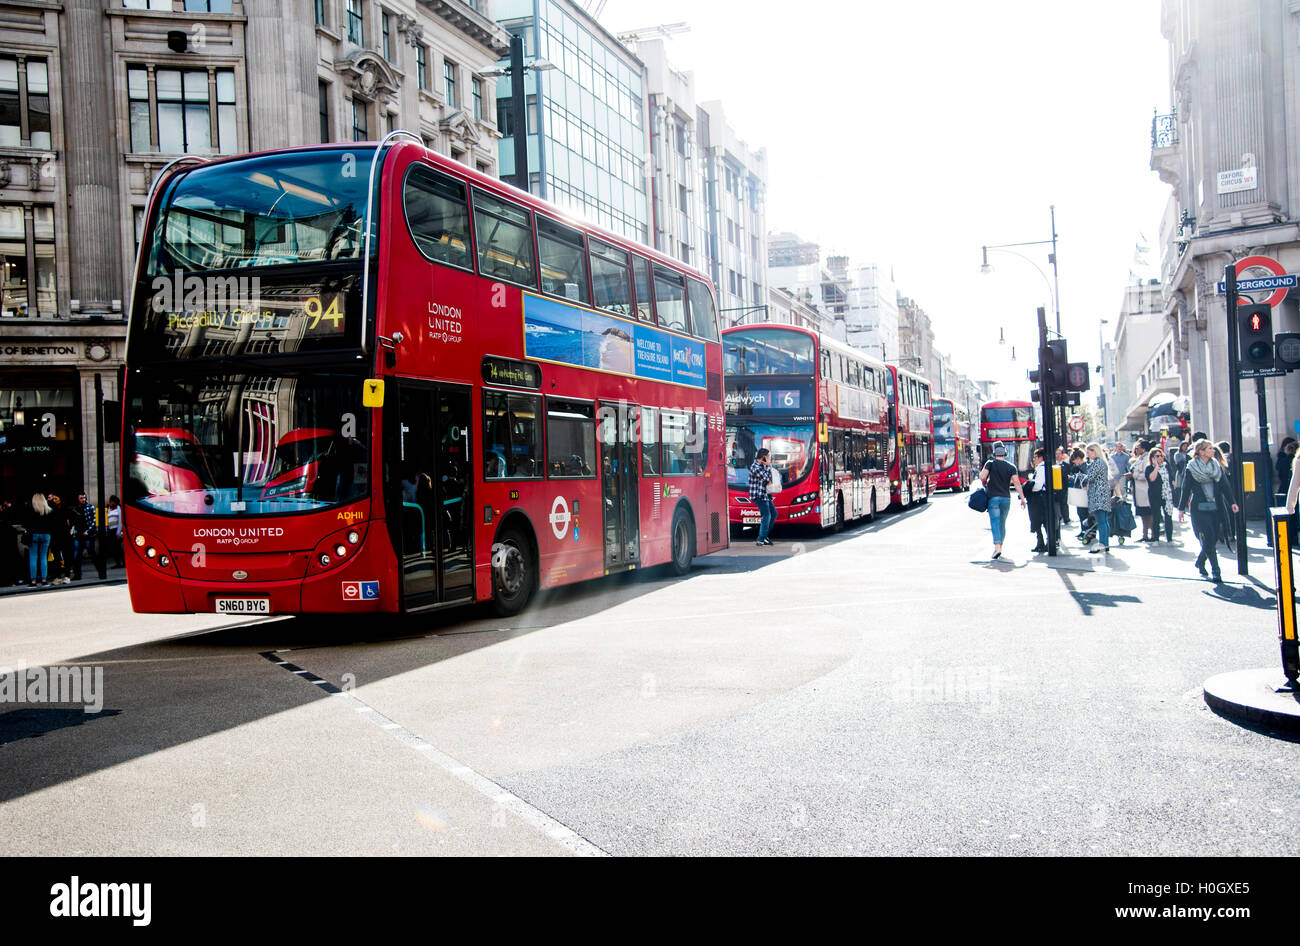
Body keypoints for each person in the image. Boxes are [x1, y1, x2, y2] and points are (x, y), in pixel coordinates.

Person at [1178, 438, 1239, 582]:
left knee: (1214, 536)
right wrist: (1181, 509)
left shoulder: (1216, 466)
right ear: (1201, 451)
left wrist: (1232, 503)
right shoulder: (1191, 468)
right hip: (1199, 508)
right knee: (1209, 536)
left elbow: (1225, 486)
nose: (1213, 450)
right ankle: (1216, 571)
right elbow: (1185, 489)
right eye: (1210, 448)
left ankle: (1200, 561)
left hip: (1216, 507)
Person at [979, 441, 1026, 560]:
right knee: (1002, 524)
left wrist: (984, 476)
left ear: (994, 453)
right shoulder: (1011, 467)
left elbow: (983, 477)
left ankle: (997, 546)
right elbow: (1017, 483)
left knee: (994, 522)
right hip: (1006, 498)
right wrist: (1022, 498)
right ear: (1005, 453)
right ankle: (1000, 546)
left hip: (993, 498)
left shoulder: (990, 463)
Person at [1082, 442, 1113, 553]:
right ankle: (1105, 544)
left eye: (1088, 452)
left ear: (1094, 451)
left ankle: (1103, 544)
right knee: (1103, 520)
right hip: (1103, 493)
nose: (1087, 455)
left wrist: (1080, 477)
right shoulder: (1101, 462)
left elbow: (1090, 477)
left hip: (1098, 494)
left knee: (1101, 521)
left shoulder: (1097, 462)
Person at [23, 492, 54, 587]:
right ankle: (44, 579)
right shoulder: (48, 510)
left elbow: (26, 523)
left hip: (34, 534)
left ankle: (33, 580)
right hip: (46, 534)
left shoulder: (31, 510)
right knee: (43, 557)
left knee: (33, 557)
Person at [748, 447, 775, 547]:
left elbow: (770, 478)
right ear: (763, 457)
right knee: (766, 515)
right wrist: (768, 465)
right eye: (768, 456)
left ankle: (765, 536)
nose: (769, 458)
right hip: (758, 495)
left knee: (774, 514)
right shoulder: (755, 467)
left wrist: (767, 466)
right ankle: (760, 539)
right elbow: (767, 479)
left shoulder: (761, 465)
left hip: (765, 494)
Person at [1027, 447, 1049, 552]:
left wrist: (1030, 488)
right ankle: (1043, 542)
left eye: (1035, 457)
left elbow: (1038, 485)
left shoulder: (1041, 468)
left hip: (1038, 498)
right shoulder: (1044, 467)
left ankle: (1041, 543)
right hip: (1043, 497)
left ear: (1041, 458)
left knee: (1038, 520)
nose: (1034, 459)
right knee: (1043, 521)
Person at [71, 491, 96, 580]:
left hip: (87, 534)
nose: (83, 499)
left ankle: (100, 571)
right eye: (81, 498)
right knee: (76, 556)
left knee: (92, 554)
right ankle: (77, 575)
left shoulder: (90, 507)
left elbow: (93, 521)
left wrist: (88, 531)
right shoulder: (75, 508)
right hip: (78, 534)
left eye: (84, 498)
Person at [1054, 446, 1072, 525]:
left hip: (1063, 487)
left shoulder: (1066, 465)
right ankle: (1059, 517)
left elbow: (1068, 476)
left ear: (1062, 455)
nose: (1057, 455)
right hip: (1054, 488)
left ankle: (1066, 518)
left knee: (1064, 503)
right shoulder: (1052, 464)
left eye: (1059, 454)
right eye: (1056, 454)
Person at [104, 495, 124, 568]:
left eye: (112, 502)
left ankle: (122, 563)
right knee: (114, 548)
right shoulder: (108, 509)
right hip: (111, 530)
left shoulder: (119, 509)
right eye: (110, 502)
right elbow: (107, 520)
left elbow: (120, 521)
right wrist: (107, 529)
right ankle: (118, 562)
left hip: (117, 529)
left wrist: (118, 532)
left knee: (118, 547)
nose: (111, 503)